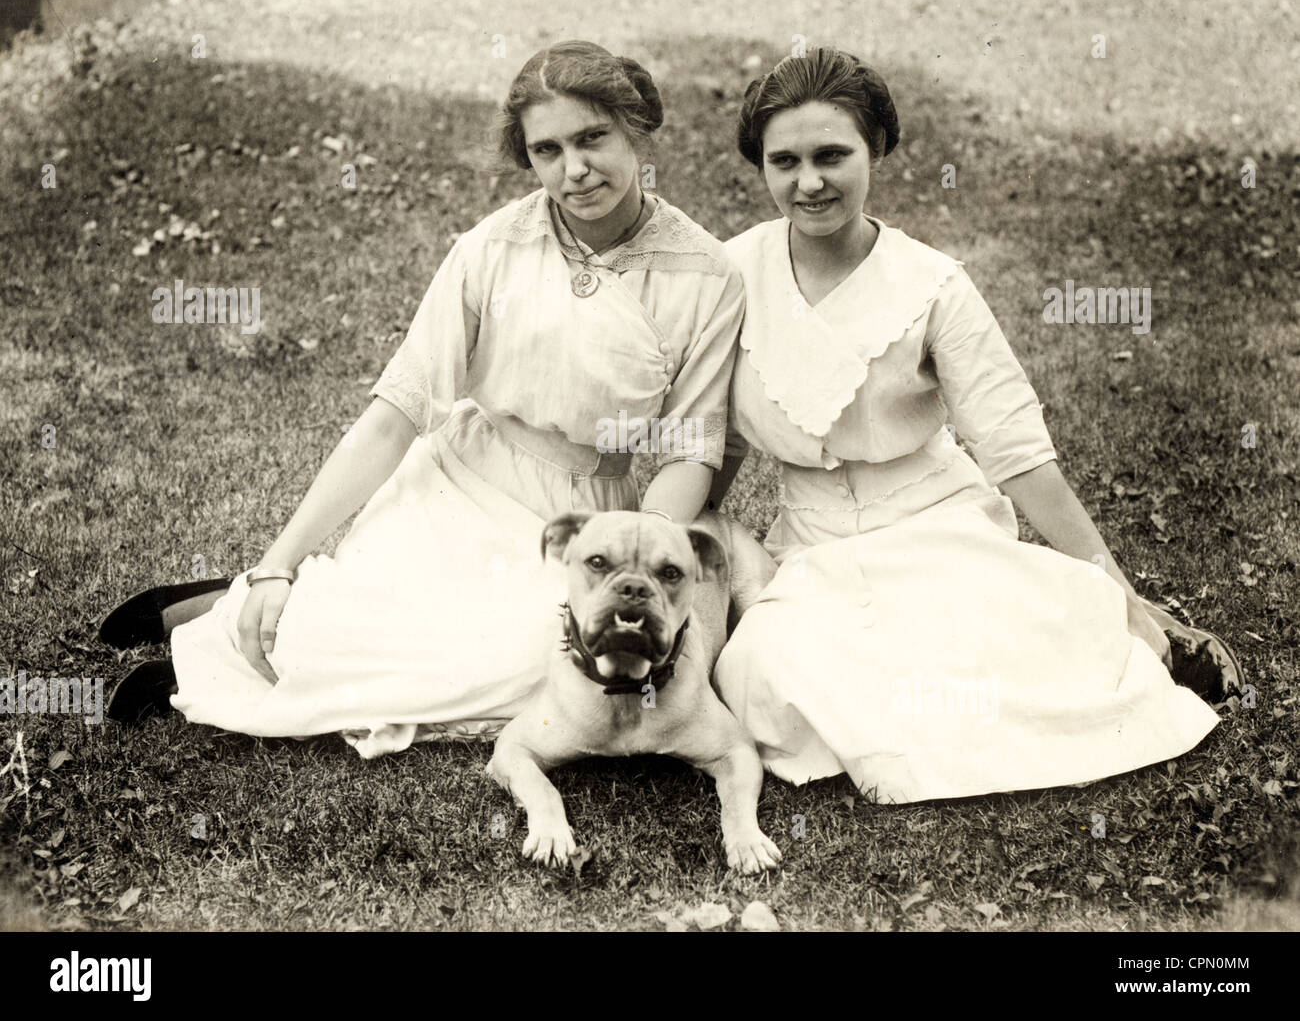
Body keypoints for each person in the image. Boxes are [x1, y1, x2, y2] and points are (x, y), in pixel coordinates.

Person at [102, 41, 744, 758]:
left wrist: (634, 569)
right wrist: (280, 559)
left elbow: (692, 450)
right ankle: (240, 617)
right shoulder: (491, 249)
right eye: (547, 149)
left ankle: (283, 613)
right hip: (464, 483)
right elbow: (394, 416)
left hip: (590, 518)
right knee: (353, 628)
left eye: (593, 138)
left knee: (537, 660)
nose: (574, 169)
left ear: (636, 129)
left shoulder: (706, 272)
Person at [709, 47, 1242, 803]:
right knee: (762, 663)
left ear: (878, 149)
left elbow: (1016, 447)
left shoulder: (931, 283)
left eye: (833, 155)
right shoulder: (732, 275)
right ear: (760, 164)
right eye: (783, 161)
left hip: (938, 529)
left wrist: (1121, 593)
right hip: (813, 549)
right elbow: (718, 441)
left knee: (1009, 649)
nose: (809, 182)